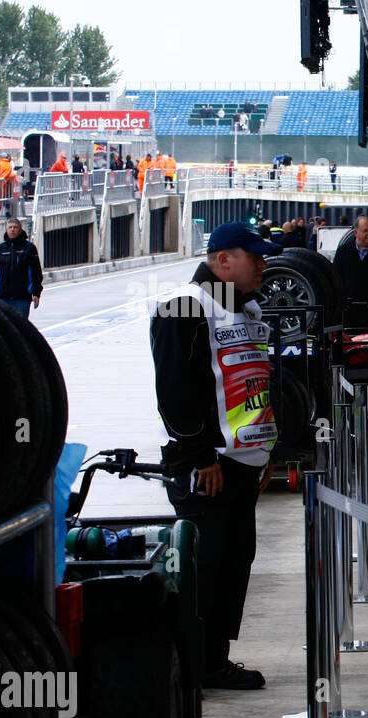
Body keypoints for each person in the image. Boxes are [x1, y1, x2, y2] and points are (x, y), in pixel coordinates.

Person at [149, 221, 280, 690]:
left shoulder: (248, 308)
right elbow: (175, 392)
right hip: (206, 466)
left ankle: (214, 658)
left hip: (243, 462)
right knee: (205, 566)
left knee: (234, 560)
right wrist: (200, 455)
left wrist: (264, 451)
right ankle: (198, 664)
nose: (264, 265)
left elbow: (256, 382)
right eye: (255, 257)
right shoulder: (184, 308)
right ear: (223, 261)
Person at [0, 217, 43, 319]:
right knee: (4, 327)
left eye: (15, 227)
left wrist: (36, 292)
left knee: (20, 328)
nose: (12, 229)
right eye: (10, 227)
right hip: (2, 297)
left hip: (22, 298)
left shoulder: (29, 248)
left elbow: (36, 272)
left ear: (20, 230)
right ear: (6, 230)